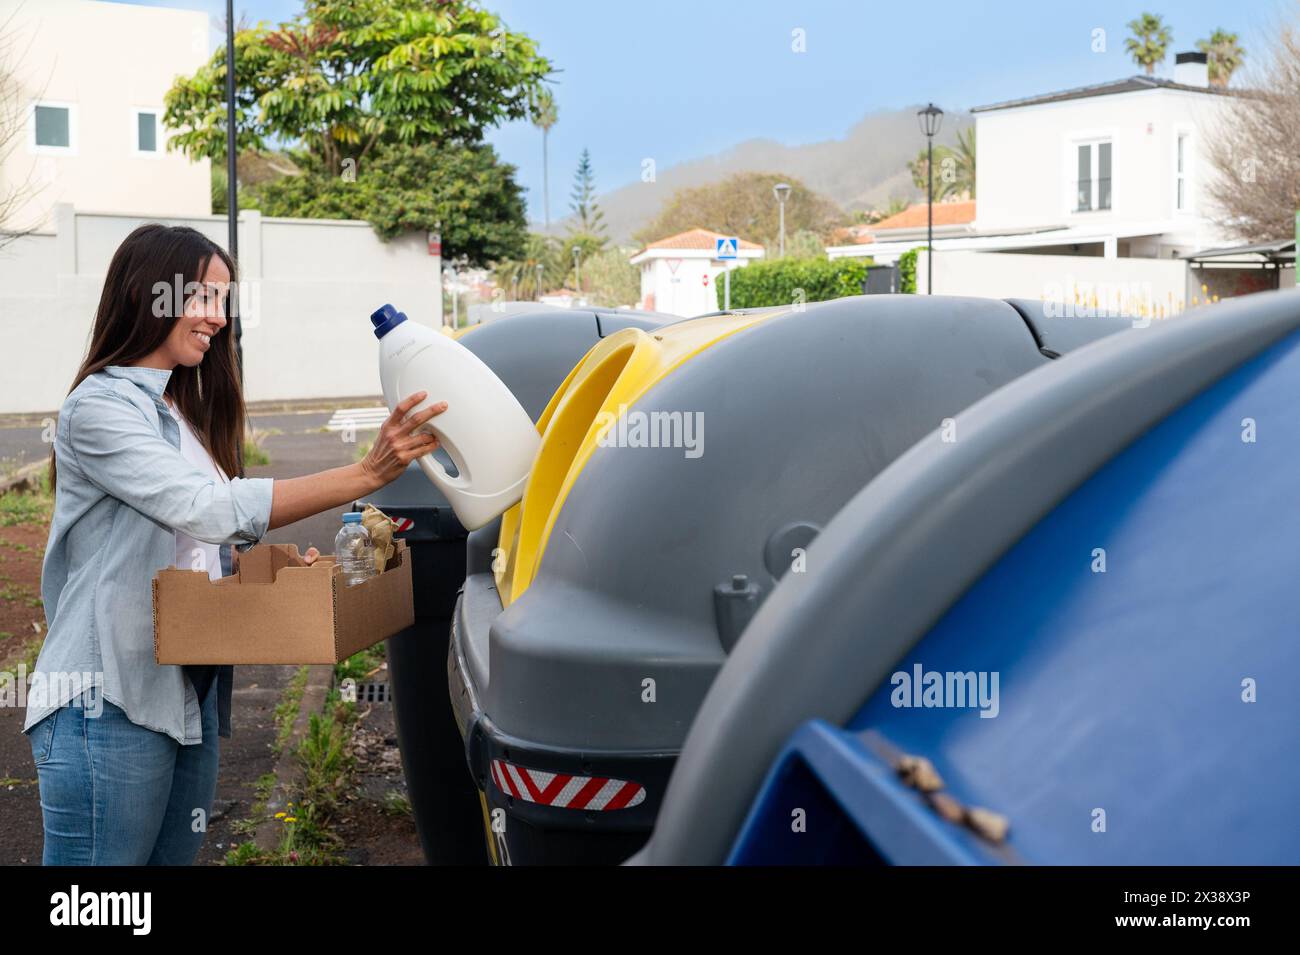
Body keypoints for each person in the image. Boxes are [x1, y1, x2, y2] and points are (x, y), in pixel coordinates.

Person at [21, 223, 446, 865]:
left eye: (224, 301)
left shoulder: (176, 415)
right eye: (203, 297)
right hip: (105, 705)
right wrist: (363, 474)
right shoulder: (98, 409)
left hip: (185, 693)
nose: (217, 319)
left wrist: (272, 576)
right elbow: (207, 508)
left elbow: (194, 542)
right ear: (147, 295)